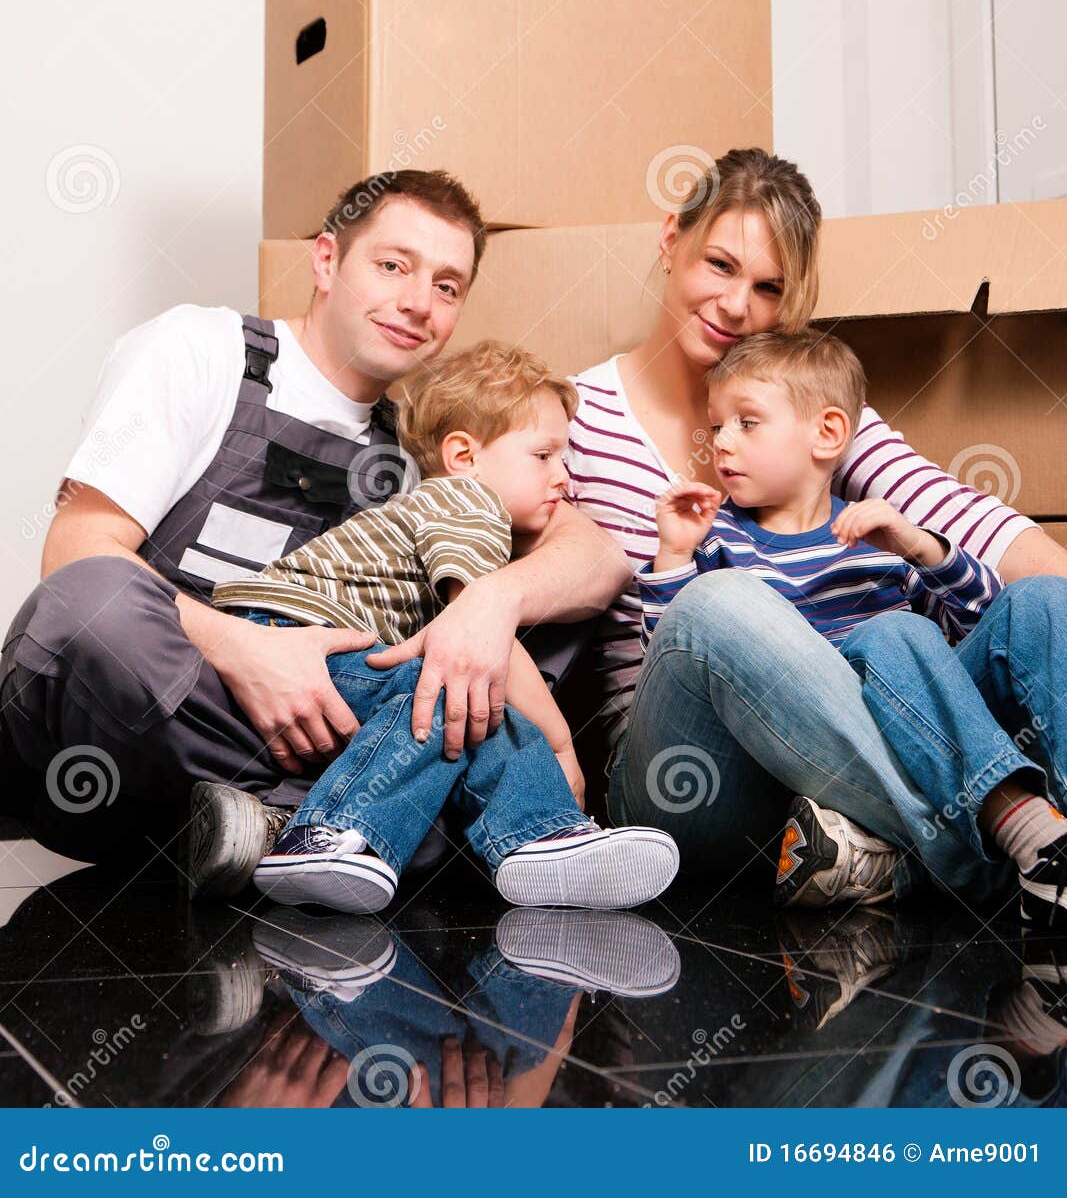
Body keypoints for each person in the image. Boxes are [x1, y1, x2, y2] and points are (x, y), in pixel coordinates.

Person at [0, 170, 631, 872]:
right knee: (89, 604)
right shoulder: (201, 349)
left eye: (447, 287)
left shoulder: (424, 446)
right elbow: (76, 550)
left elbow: (598, 556)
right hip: (149, 712)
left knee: (518, 649)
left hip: (310, 730)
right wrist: (244, 651)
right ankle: (355, 826)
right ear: (327, 260)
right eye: (392, 266)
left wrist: (494, 601)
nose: (417, 303)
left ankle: (275, 833)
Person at [563, 147, 1067, 894]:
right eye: (720, 265)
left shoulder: (821, 420)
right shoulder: (576, 415)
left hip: (852, 759)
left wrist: (925, 548)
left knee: (1031, 604)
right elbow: (507, 539)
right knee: (719, 605)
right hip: (696, 772)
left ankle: (1007, 850)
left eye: (768, 287)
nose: (738, 306)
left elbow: (971, 527)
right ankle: (984, 858)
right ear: (670, 240)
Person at [204, 339, 677, 914]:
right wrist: (559, 745)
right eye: (544, 456)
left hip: (297, 641)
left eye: (567, 461)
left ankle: (537, 841)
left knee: (457, 712)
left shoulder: (434, 505)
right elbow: (484, 635)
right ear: (464, 456)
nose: (565, 480)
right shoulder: (466, 502)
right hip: (289, 636)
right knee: (463, 692)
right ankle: (333, 833)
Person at [638, 326, 1067, 929]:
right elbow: (675, 658)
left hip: (928, 736)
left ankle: (1056, 845)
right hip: (806, 754)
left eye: (747, 422)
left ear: (829, 433)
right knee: (895, 634)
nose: (721, 445)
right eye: (717, 426)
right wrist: (674, 558)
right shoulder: (718, 539)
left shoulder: (878, 536)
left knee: (1042, 599)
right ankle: (1016, 831)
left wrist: (923, 550)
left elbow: (989, 632)